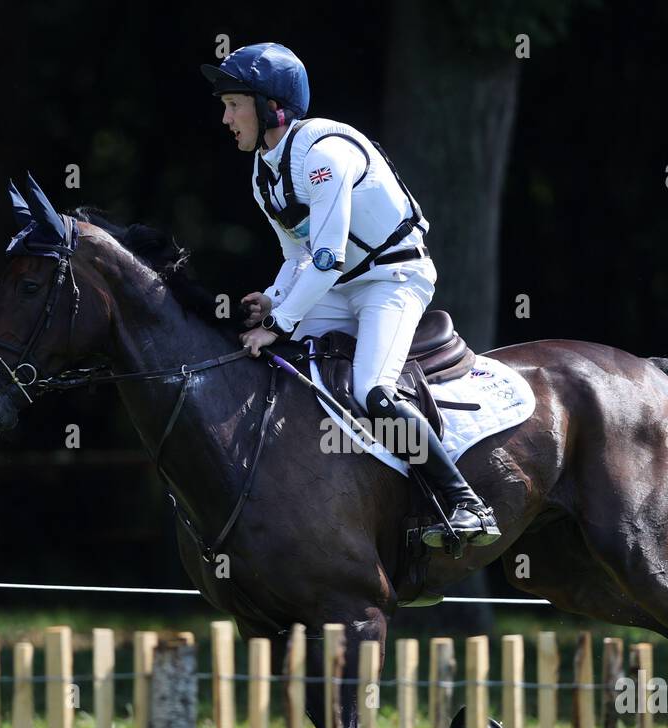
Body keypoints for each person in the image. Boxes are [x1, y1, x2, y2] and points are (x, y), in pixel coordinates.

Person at [201, 42, 500, 548]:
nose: (226, 118)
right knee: (281, 365)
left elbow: (326, 258)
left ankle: (465, 502)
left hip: (393, 281)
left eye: (233, 104)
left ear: (272, 106)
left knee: (373, 392)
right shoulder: (263, 174)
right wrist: (275, 299)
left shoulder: (324, 154)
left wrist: (279, 322)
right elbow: (296, 258)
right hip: (339, 288)